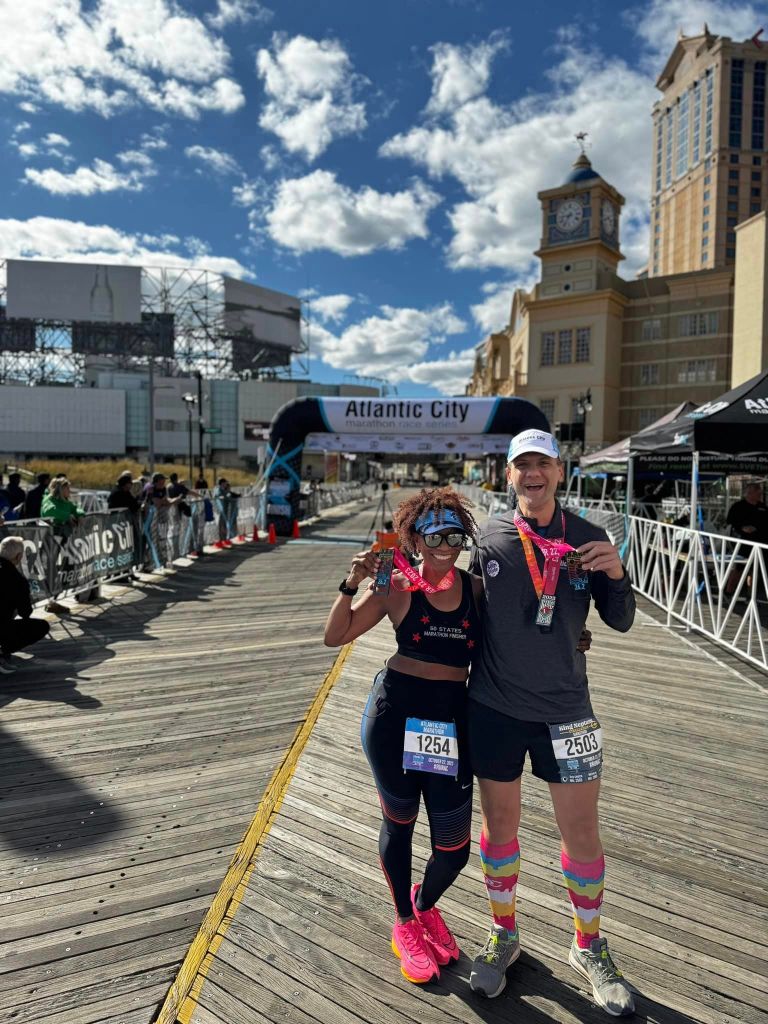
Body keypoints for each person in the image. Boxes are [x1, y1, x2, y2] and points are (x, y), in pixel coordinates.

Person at [324, 487, 595, 987]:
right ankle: (404, 923)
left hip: (450, 723)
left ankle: (425, 908)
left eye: (454, 534)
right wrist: (350, 582)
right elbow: (335, 635)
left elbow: (520, 621)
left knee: (454, 847)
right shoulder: (395, 582)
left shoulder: (474, 589)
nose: (445, 543)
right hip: (393, 716)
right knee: (400, 822)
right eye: (434, 535)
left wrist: (572, 634)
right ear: (415, 539)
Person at [467, 429, 637, 1017]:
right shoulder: (487, 535)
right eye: (522, 465)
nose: (532, 473)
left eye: (542, 463)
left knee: (582, 834)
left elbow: (621, 621)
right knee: (500, 830)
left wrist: (616, 575)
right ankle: (505, 932)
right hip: (494, 707)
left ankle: (588, 945)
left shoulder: (591, 538)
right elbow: (464, 614)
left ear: (560, 472)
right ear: (507, 475)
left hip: (568, 711)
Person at [0, 536, 51, 675]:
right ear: (19, 556)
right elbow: (25, 612)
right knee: (41, 626)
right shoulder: (17, 579)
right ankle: (2, 652)